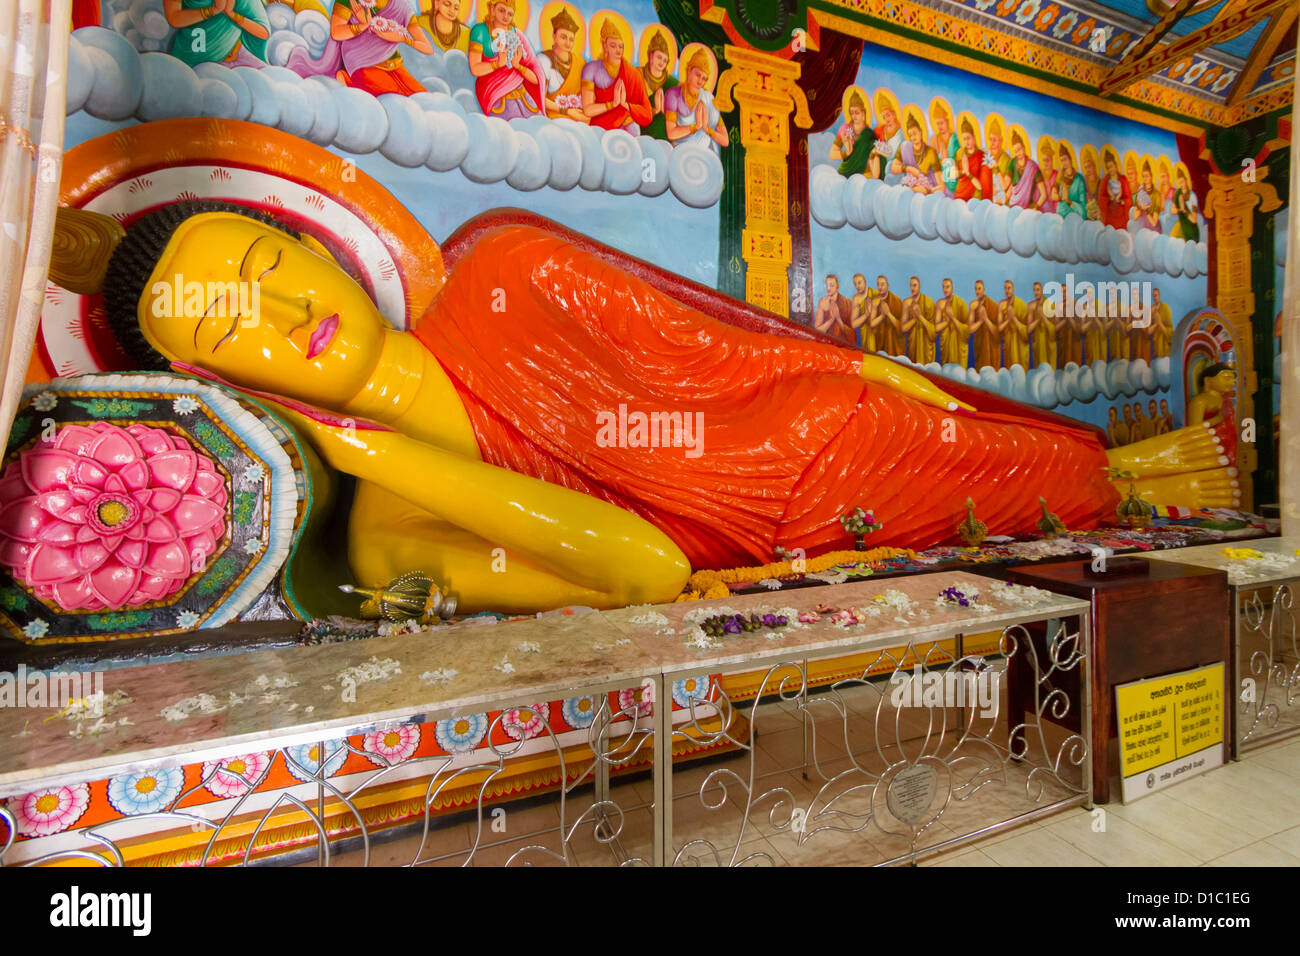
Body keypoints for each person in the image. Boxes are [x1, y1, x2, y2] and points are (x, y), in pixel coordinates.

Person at [60, 201, 1239, 612]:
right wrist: (385, 456)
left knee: (1055, 471)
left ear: (302, 241)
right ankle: (1152, 482)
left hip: (817, 421)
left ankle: (1156, 481)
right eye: (230, 332)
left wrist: (876, 377)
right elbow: (641, 566)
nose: (277, 315)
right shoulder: (391, 526)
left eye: (269, 272)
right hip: (794, 527)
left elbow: (711, 341)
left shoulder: (508, 267)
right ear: (228, 382)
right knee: (1054, 495)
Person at [287, 0, 433, 95]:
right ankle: (347, 79)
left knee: (421, 96)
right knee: (393, 96)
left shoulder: (401, 7)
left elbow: (427, 48)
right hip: (361, 61)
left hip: (394, 64)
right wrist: (362, 26)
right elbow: (336, 32)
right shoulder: (351, 1)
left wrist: (402, 38)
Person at [469, 0, 545, 118]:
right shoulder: (480, 31)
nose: (505, 16)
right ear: (492, 9)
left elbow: (536, 78)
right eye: (501, 10)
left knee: (536, 124)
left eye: (510, 14)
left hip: (520, 90)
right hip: (493, 90)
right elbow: (474, 69)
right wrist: (497, 64)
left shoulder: (517, 35)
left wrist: (518, 66)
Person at [582, 18, 652, 133]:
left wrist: (626, 105)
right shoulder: (591, 69)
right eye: (613, 46)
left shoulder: (632, 74)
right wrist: (612, 104)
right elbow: (587, 110)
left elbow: (647, 114)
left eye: (621, 46)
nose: (618, 50)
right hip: (599, 127)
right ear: (605, 46)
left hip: (624, 128)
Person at [166, 0, 270, 68]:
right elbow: (173, 18)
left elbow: (263, 31)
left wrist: (232, 14)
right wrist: (212, 10)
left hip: (226, 61)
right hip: (186, 57)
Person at [664, 47, 727, 151]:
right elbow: (671, 133)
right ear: (688, 71)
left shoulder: (708, 100)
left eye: (704, 78)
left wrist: (707, 129)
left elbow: (725, 140)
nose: (700, 81)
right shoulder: (674, 94)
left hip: (702, 153)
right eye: (698, 75)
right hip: (679, 150)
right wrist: (695, 127)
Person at [539, 6, 586, 122]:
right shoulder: (544, 59)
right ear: (554, 37)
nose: (568, 43)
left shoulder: (580, 63)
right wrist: (567, 111)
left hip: (576, 118)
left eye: (571, 39)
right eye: (563, 37)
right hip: (553, 116)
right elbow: (540, 98)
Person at [638, 29, 677, 140]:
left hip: (663, 136)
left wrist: (665, 110)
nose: (662, 63)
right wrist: (654, 110)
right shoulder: (637, 75)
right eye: (659, 57)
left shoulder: (672, 83)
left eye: (665, 60)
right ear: (650, 57)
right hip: (640, 130)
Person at [830, 91, 878, 178]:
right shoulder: (845, 129)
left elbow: (874, 160)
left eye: (857, 113)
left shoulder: (869, 134)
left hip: (864, 176)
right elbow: (832, 154)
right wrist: (846, 153)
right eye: (852, 113)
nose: (854, 116)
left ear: (863, 113)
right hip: (845, 174)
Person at [891, 115, 940, 193]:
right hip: (910, 184)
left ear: (920, 132)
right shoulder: (905, 147)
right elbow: (893, 168)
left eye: (915, 133)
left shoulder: (930, 152)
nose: (913, 137)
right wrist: (908, 169)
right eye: (910, 135)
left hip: (926, 188)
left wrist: (928, 191)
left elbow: (941, 186)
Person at [900, 276, 937, 363]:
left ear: (919, 286)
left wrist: (920, 317)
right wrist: (915, 319)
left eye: (915, 285)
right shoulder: (906, 302)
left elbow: (934, 333)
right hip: (913, 345)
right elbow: (903, 328)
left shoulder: (929, 303)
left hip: (926, 348)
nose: (912, 288)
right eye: (910, 286)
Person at [935, 278, 969, 367]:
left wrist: (953, 318)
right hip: (945, 344)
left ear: (952, 288)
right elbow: (937, 327)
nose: (945, 289)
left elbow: (967, 330)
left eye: (948, 287)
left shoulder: (961, 304)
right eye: (943, 287)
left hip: (958, 346)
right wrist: (947, 321)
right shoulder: (940, 303)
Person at [1006, 132, 1046, 210]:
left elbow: (1043, 194)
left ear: (1024, 147)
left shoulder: (1033, 167)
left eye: (1019, 149)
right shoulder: (1012, 163)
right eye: (1015, 151)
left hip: (1028, 208)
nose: (1018, 152)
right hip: (1012, 206)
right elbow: (1008, 187)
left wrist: (1036, 207)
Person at [814, 275, 856, 346]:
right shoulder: (822, 302)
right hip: (827, 344)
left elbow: (853, 336)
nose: (828, 288)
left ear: (837, 287)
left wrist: (838, 318)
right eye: (827, 285)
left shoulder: (847, 303)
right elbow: (817, 331)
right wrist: (831, 320)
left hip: (843, 345)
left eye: (831, 285)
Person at [868, 276, 905, 356]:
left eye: (882, 284)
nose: (880, 287)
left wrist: (889, 314)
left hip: (894, 343)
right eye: (878, 284)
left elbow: (901, 328)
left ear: (887, 285)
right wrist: (882, 315)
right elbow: (872, 324)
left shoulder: (897, 301)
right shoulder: (875, 301)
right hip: (880, 340)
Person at [953, 120, 989, 201]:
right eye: (964, 139)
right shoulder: (959, 153)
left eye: (968, 138)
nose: (966, 141)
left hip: (975, 195)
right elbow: (953, 175)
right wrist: (963, 172)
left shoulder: (981, 156)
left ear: (974, 137)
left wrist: (968, 174)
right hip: (959, 193)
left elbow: (981, 186)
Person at [970, 280, 1001, 369]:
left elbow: (997, 333)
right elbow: (970, 329)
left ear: (984, 289)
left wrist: (986, 319)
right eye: (975, 289)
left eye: (979, 288)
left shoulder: (993, 305)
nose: (977, 291)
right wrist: (980, 321)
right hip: (979, 346)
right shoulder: (973, 305)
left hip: (992, 348)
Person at [930, 103, 960, 196]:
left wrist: (946, 160)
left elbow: (957, 159)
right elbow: (932, 159)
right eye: (938, 124)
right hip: (938, 172)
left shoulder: (954, 139)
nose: (940, 126)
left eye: (942, 123)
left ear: (947, 122)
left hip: (951, 172)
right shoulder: (934, 139)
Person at [871, 96, 903, 182]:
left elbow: (894, 153)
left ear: (894, 114)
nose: (886, 119)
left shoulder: (901, 132)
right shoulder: (881, 130)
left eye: (888, 115)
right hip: (884, 163)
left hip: (897, 163)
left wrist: (879, 151)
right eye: (884, 117)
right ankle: (874, 181)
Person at [1098, 150, 1132, 230]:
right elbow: (1100, 199)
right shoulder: (1105, 180)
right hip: (1109, 218)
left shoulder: (1123, 180)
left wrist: (1121, 201)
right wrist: (1109, 199)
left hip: (1121, 218)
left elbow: (1129, 199)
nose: (1110, 170)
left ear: (1116, 165)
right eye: (1108, 168)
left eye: (1111, 166)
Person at [998, 280, 1029, 368]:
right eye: (1005, 288)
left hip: (1020, 348)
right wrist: (1008, 319)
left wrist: (1014, 318)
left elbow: (1026, 333)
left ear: (1013, 289)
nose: (1007, 291)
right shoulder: (1001, 305)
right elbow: (999, 328)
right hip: (1008, 345)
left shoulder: (1021, 304)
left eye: (1009, 288)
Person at [1027, 281, 1057, 368]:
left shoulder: (1049, 304)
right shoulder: (1031, 306)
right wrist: (1038, 319)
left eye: (1038, 290)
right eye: (1034, 290)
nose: (1036, 292)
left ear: (1042, 291)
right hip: (1037, 345)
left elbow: (1054, 330)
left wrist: (1043, 317)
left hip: (1049, 346)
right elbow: (1029, 329)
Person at [1055, 144, 1087, 219]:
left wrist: (1068, 201)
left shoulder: (1079, 179)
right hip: (1061, 215)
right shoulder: (1060, 177)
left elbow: (1083, 208)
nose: (1064, 163)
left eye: (1065, 159)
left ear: (1070, 159)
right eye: (1062, 160)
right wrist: (1062, 198)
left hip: (1075, 216)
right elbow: (1058, 202)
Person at [1170, 167, 1200, 241]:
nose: (1181, 185)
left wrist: (1184, 211)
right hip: (1182, 223)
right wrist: (1180, 209)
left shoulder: (1192, 196)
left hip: (1191, 229)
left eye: (1182, 182)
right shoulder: (1177, 193)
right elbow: (1172, 210)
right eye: (1179, 183)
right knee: (1172, 239)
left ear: (1186, 180)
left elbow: (1194, 220)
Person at [849, 273, 875, 351]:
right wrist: (866, 314)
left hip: (877, 334)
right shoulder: (856, 299)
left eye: (859, 282)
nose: (857, 286)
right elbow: (854, 324)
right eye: (855, 284)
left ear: (865, 282)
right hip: (865, 335)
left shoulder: (874, 294)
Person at [1150, 287, 1173, 358]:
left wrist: (1159, 323)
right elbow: (1148, 330)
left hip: (1164, 347)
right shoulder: (1151, 309)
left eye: (1156, 295)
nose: (1154, 297)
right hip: (1154, 346)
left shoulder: (1166, 308)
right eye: (1153, 296)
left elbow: (1170, 332)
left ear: (1159, 296)